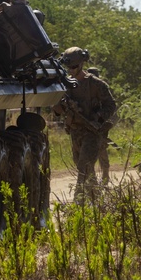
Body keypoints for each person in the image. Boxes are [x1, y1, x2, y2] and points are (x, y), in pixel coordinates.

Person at [51, 47, 117, 203]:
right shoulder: (64, 84)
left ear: (81, 65)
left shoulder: (95, 84)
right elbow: (58, 111)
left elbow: (111, 105)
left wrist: (97, 118)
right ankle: (96, 201)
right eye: (69, 68)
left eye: (74, 67)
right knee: (87, 170)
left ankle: (78, 203)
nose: (71, 71)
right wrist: (56, 103)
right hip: (75, 132)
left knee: (83, 168)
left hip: (92, 132)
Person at [86, 67, 117, 184]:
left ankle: (105, 176)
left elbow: (109, 106)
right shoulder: (84, 89)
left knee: (101, 150)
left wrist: (99, 117)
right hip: (87, 125)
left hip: (100, 125)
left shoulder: (101, 88)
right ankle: (92, 177)